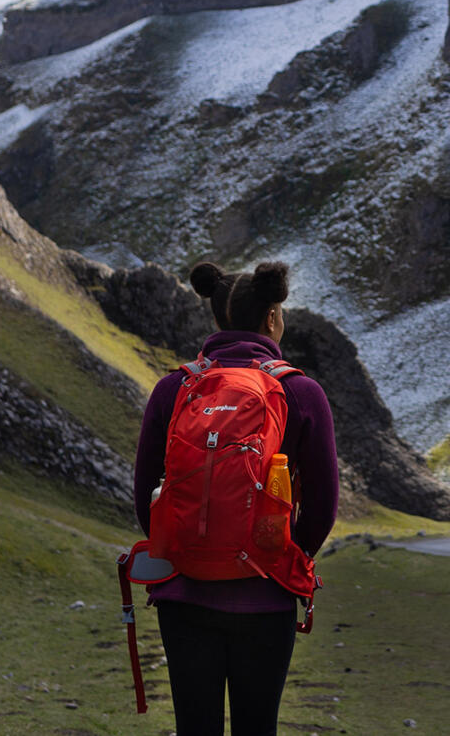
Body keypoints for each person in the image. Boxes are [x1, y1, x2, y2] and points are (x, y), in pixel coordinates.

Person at [134, 260, 338, 736]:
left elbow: (147, 497)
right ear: (271, 318)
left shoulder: (174, 387)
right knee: (256, 727)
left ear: (217, 318)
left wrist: (188, 549)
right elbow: (323, 509)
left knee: (194, 728)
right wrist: (280, 558)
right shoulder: (301, 391)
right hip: (265, 597)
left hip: (183, 594)